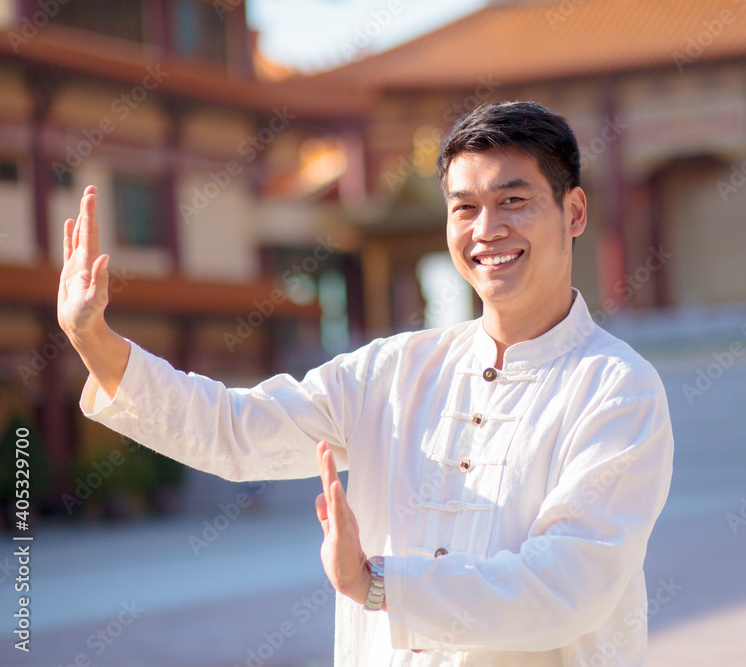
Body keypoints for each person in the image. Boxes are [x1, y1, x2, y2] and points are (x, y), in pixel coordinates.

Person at [58, 101, 674, 665]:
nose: (486, 229)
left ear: (574, 212)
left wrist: (378, 583)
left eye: (514, 200)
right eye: (464, 207)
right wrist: (96, 342)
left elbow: (566, 587)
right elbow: (236, 431)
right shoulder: (393, 371)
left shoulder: (617, 388)